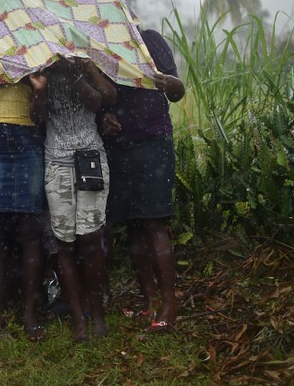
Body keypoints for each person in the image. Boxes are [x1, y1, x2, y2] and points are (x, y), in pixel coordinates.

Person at [100, 28, 185, 332]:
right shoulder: (100, 46)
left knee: (153, 223)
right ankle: (149, 301)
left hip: (152, 142)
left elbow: (177, 91)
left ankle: (169, 305)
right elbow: (100, 100)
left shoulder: (149, 40)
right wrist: (103, 118)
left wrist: (168, 82)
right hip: (117, 146)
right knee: (133, 225)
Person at [0, 56, 48, 340]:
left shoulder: (40, 50)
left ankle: (30, 313)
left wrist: (37, 86)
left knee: (30, 229)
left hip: (28, 136)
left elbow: (40, 116)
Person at [39, 56, 116, 341]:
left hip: (90, 157)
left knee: (91, 238)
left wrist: (78, 73)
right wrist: (41, 84)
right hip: (57, 162)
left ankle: (97, 313)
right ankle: (77, 319)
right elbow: (37, 117)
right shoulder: (39, 65)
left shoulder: (83, 61)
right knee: (64, 242)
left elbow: (99, 101)